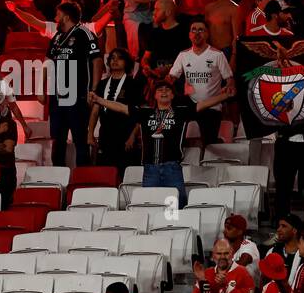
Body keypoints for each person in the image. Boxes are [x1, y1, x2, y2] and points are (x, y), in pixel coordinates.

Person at [89, 78, 234, 203]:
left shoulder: (180, 112)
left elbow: (204, 104)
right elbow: (121, 108)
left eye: (167, 89)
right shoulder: (145, 113)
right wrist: (99, 100)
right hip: (150, 169)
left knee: (174, 210)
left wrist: (224, 96)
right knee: (151, 206)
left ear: (172, 95)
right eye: (160, 90)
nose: (164, 92)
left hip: (173, 169)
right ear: (155, 95)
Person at [47, 1, 102, 167]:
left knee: (80, 139)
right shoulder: (57, 37)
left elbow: (97, 61)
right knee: (58, 140)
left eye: (57, 15)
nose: (55, 19)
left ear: (65, 17)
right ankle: (58, 178)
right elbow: (48, 62)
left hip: (77, 96)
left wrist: (93, 90)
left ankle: (82, 179)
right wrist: (43, 89)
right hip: (57, 97)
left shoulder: (85, 33)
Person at [166, 19, 233, 146]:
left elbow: (229, 79)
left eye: (201, 30)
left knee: (209, 144)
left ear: (207, 34)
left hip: (211, 107)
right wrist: (163, 81)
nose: (197, 33)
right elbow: (171, 78)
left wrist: (229, 87)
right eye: (194, 30)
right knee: (181, 141)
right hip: (190, 106)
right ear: (189, 35)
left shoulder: (217, 55)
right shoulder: (183, 55)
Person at [86, 47, 143, 178]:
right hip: (105, 134)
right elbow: (95, 111)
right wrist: (90, 134)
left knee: (125, 173)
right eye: (112, 58)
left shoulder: (133, 84)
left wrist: (133, 136)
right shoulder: (102, 84)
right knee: (105, 173)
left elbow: (140, 114)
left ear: (127, 62)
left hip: (126, 135)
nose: (115, 61)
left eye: (119, 58)